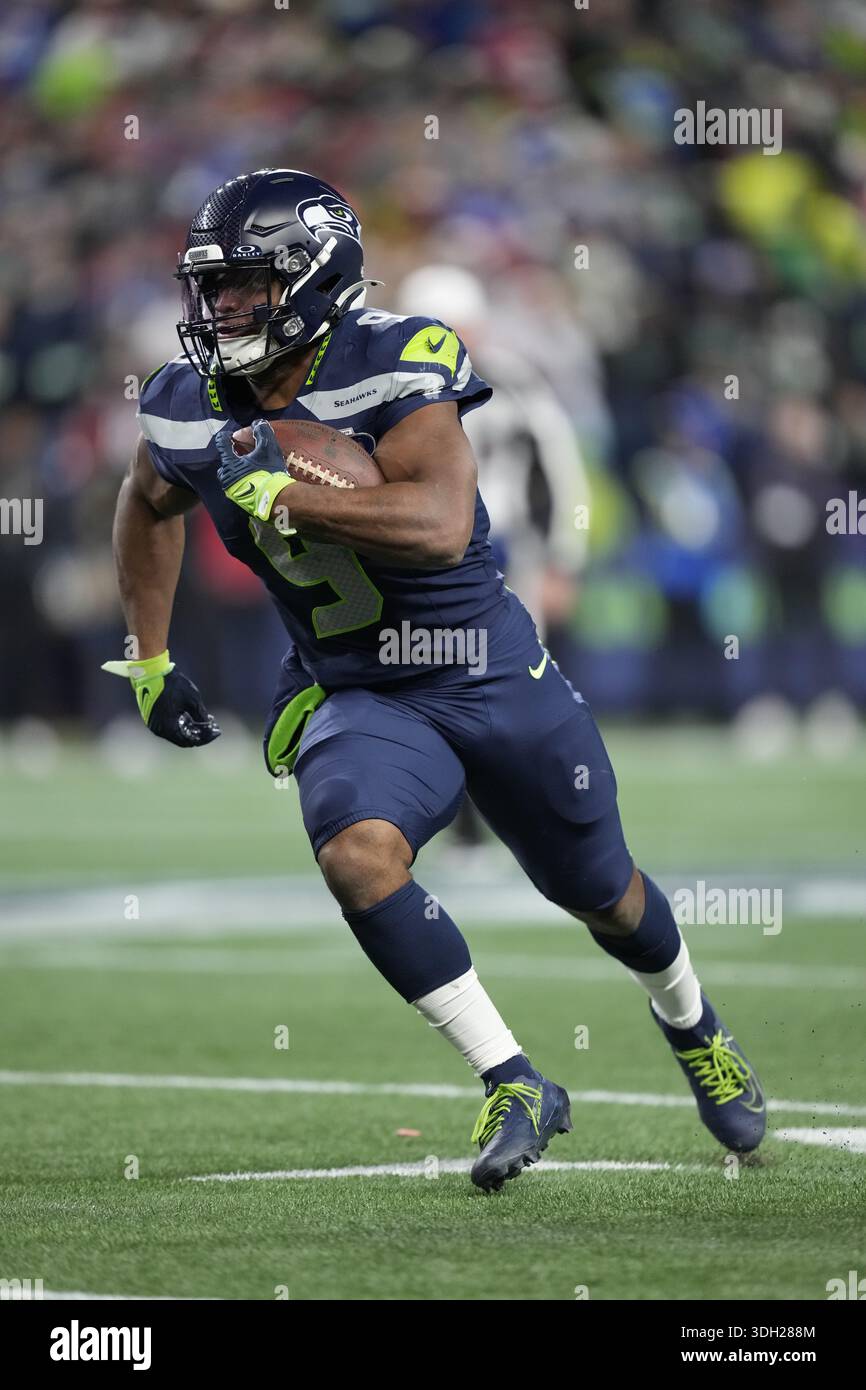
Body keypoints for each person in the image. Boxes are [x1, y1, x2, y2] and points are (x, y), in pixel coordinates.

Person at [104, 169, 765, 1192]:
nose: (221, 308)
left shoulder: (395, 361)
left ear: (315, 279)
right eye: (213, 287)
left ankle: (691, 1021)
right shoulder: (183, 402)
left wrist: (292, 495)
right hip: (358, 687)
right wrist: (149, 659)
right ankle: (511, 1077)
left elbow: (438, 524)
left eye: (245, 285)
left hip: (486, 669)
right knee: (358, 855)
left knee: (605, 895)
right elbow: (148, 502)